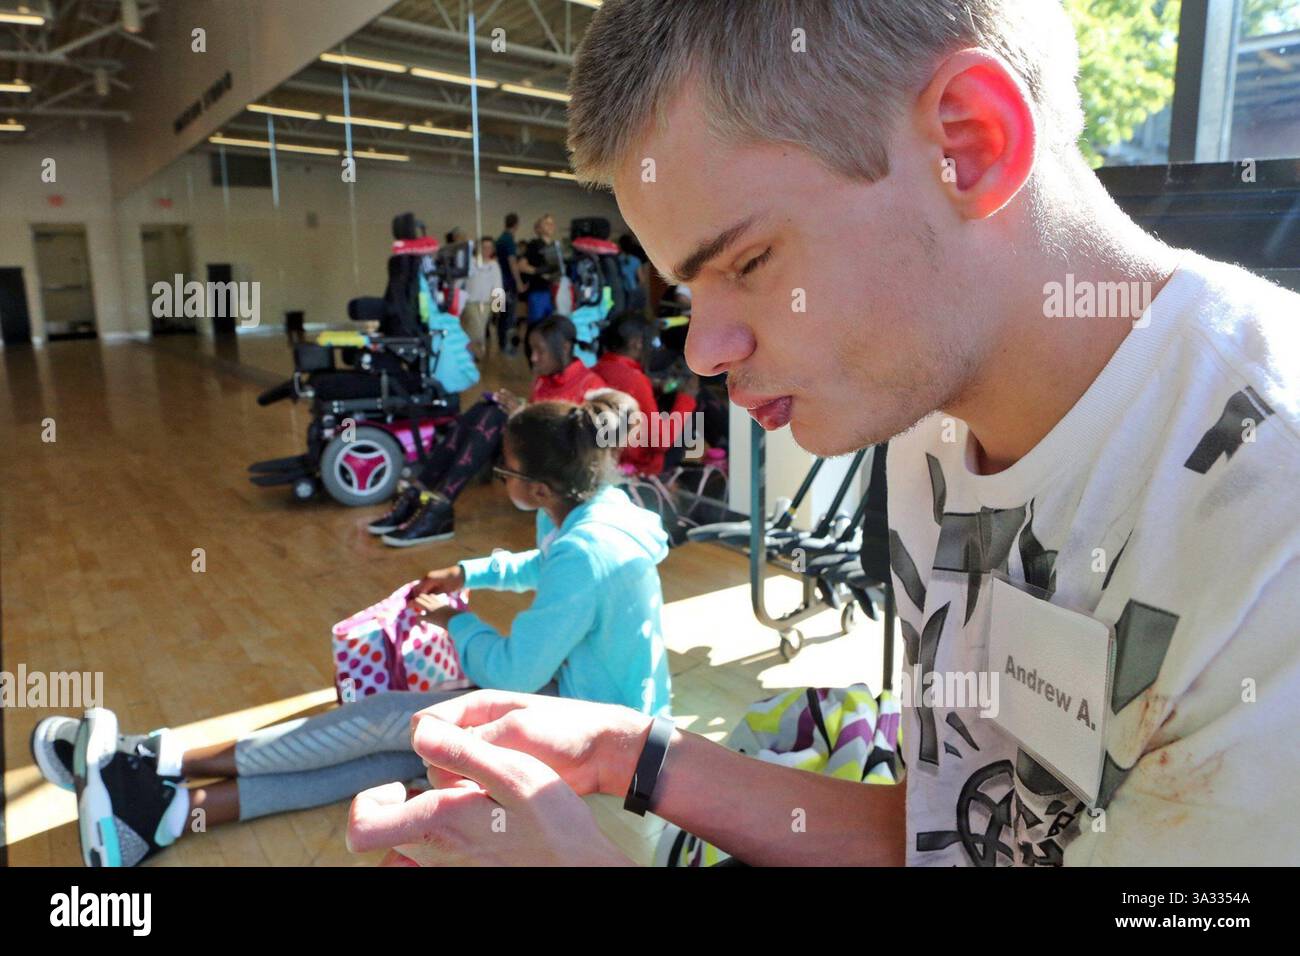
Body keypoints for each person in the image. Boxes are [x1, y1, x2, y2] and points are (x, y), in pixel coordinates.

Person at [346, 0, 1300, 868]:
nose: (708, 351)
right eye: (689, 290)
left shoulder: (1272, 515)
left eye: (751, 260)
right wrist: (630, 754)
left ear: (970, 143)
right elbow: (964, 837)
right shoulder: (929, 429)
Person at [41, 393, 672, 867]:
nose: (497, 479)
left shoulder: (590, 553)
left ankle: (154, 757)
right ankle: (167, 813)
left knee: (390, 720)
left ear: (537, 486)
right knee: (402, 752)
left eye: (503, 474)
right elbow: (544, 563)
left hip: (596, 738)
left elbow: (511, 672)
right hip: (584, 706)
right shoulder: (598, 508)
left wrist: (457, 616)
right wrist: (469, 570)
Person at [373, 315, 608, 546]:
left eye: (540, 351)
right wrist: (518, 407)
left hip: (563, 466)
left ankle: (437, 506)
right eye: (531, 350)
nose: (534, 358)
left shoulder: (591, 385)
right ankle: (420, 495)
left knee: (494, 416)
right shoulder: (544, 380)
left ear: (565, 347)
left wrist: (521, 413)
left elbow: (581, 444)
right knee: (487, 408)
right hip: (536, 450)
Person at [594, 314, 699, 476]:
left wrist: (652, 386)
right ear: (636, 343)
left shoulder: (596, 369)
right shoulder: (635, 380)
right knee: (693, 407)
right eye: (651, 343)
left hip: (605, 453)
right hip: (635, 462)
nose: (652, 349)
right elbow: (660, 442)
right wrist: (686, 398)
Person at [461, 236, 503, 361]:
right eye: (484, 247)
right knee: (476, 330)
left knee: (478, 330)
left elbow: (498, 285)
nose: (487, 249)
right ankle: (474, 354)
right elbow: (459, 281)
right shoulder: (470, 262)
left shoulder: (494, 265)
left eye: (489, 247)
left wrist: (498, 308)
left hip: (486, 305)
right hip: (470, 303)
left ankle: (470, 355)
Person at [519, 213, 562, 326]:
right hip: (538, 291)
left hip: (553, 290)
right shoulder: (534, 244)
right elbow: (522, 265)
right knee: (537, 325)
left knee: (550, 326)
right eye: (546, 224)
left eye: (552, 224)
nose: (550, 226)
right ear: (538, 228)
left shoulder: (554, 246)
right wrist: (540, 272)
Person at [495, 212, 524, 354]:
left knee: (499, 314)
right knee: (508, 316)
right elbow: (513, 263)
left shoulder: (499, 239)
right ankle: (506, 346)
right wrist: (519, 282)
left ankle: (499, 344)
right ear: (516, 224)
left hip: (498, 284)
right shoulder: (509, 240)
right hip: (508, 284)